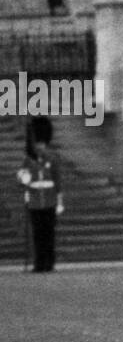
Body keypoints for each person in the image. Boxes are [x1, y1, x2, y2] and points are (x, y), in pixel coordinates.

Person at [17, 116, 62, 272]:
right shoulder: (27, 161)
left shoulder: (53, 159)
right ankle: (39, 264)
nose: (40, 146)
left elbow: (57, 182)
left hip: (49, 202)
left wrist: (60, 202)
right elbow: (21, 179)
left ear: (45, 142)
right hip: (35, 203)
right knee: (38, 236)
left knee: (49, 235)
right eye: (37, 143)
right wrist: (23, 178)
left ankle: (49, 264)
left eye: (42, 143)